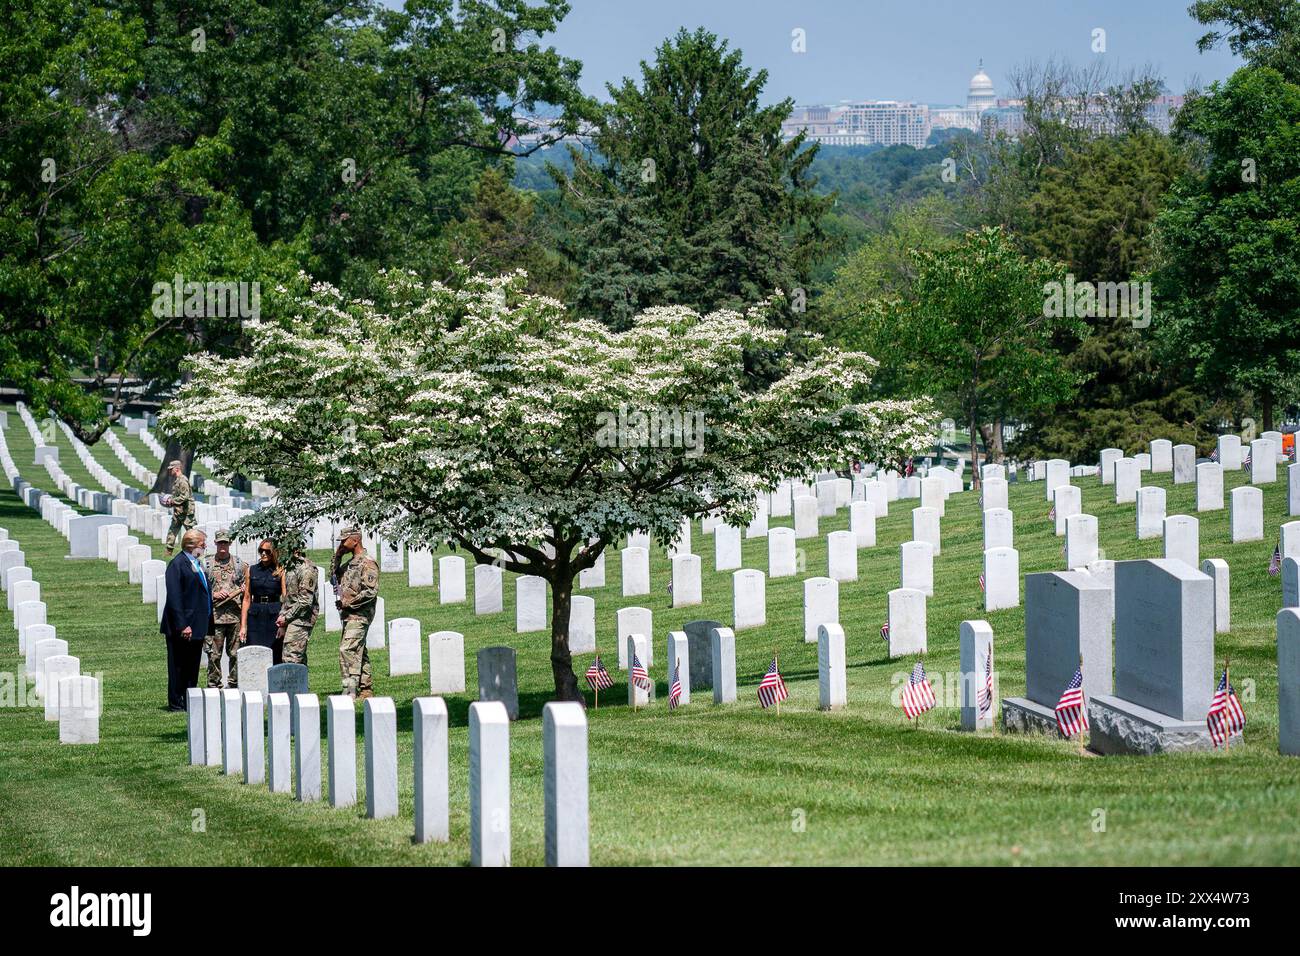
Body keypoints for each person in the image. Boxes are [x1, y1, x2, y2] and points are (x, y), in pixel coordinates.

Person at [160, 529, 213, 711]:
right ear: (192, 545)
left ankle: (189, 698)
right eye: (202, 544)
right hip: (182, 626)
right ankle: (176, 702)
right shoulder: (178, 564)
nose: (205, 546)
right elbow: (175, 598)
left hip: (197, 625)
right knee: (178, 665)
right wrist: (183, 625)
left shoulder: (196, 564)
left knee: (192, 665)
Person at [331, 525, 378, 701]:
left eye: (344, 540)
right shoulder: (350, 563)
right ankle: (366, 690)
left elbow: (370, 592)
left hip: (360, 614)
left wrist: (347, 602)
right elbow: (333, 577)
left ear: (355, 539)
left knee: (346, 649)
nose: (342, 544)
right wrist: (337, 556)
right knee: (359, 650)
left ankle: (349, 689)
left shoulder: (367, 562)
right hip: (349, 615)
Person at [202, 529, 246, 688]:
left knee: (235, 654)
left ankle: (234, 683)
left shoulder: (239, 564)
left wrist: (243, 588)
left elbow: (247, 585)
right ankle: (214, 685)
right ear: (215, 543)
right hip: (215, 617)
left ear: (229, 544)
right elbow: (200, 589)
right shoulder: (206, 564)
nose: (222, 546)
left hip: (235, 617)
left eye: (225, 543)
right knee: (214, 654)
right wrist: (214, 594)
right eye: (220, 543)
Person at [241, 538, 286, 664]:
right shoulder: (252, 570)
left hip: (274, 614)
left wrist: (283, 623)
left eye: (267, 551)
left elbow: (285, 597)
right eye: (261, 550)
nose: (263, 553)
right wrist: (243, 626)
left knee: (275, 652)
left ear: (274, 553)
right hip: (255, 615)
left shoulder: (280, 570)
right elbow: (246, 598)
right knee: (254, 652)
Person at [278, 539, 319, 666]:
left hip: (301, 618)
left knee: (291, 658)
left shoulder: (306, 569)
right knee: (298, 659)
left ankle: (293, 686)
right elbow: (289, 598)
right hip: (292, 618)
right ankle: (301, 686)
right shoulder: (290, 566)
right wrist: (283, 620)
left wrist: (287, 617)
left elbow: (305, 601)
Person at [162, 460, 196, 557]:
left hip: (186, 512)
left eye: (171, 469)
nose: (169, 471)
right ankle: (168, 552)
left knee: (190, 533)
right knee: (172, 530)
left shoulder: (182, 480)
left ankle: (195, 551)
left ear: (177, 469)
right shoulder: (177, 480)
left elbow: (184, 497)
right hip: (178, 511)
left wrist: (172, 501)